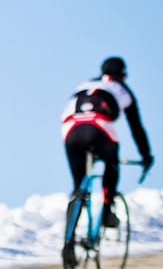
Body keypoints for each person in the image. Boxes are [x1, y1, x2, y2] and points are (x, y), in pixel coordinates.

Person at [60, 56, 154, 228]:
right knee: (111, 163)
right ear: (122, 75)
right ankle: (107, 209)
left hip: (70, 128)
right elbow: (136, 127)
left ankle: (69, 237)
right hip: (99, 126)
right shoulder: (123, 90)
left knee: (78, 186)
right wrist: (146, 155)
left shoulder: (86, 84)